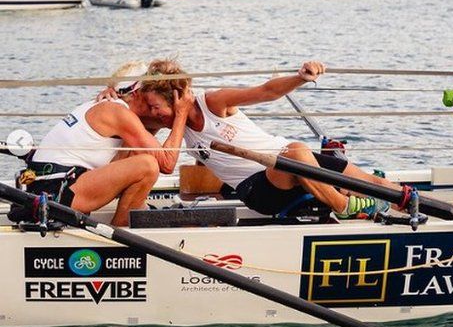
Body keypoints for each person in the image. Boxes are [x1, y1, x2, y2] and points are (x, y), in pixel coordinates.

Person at [106, 60, 409, 220]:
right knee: (298, 152)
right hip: (259, 189)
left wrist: (300, 77)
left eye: (157, 108)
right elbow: (131, 132)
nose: (154, 115)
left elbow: (266, 91)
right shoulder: (170, 124)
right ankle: (345, 205)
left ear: (176, 99)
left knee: (372, 181)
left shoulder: (214, 102)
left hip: (288, 161)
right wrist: (110, 96)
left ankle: (423, 206)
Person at [22, 61, 193, 226]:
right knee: (148, 165)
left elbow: (147, 138)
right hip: (54, 192)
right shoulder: (117, 112)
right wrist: (181, 115)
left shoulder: (113, 105)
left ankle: (138, 210)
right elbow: (167, 164)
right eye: (153, 107)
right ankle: (122, 227)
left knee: (140, 152)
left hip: (48, 186)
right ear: (137, 92)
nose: (155, 112)